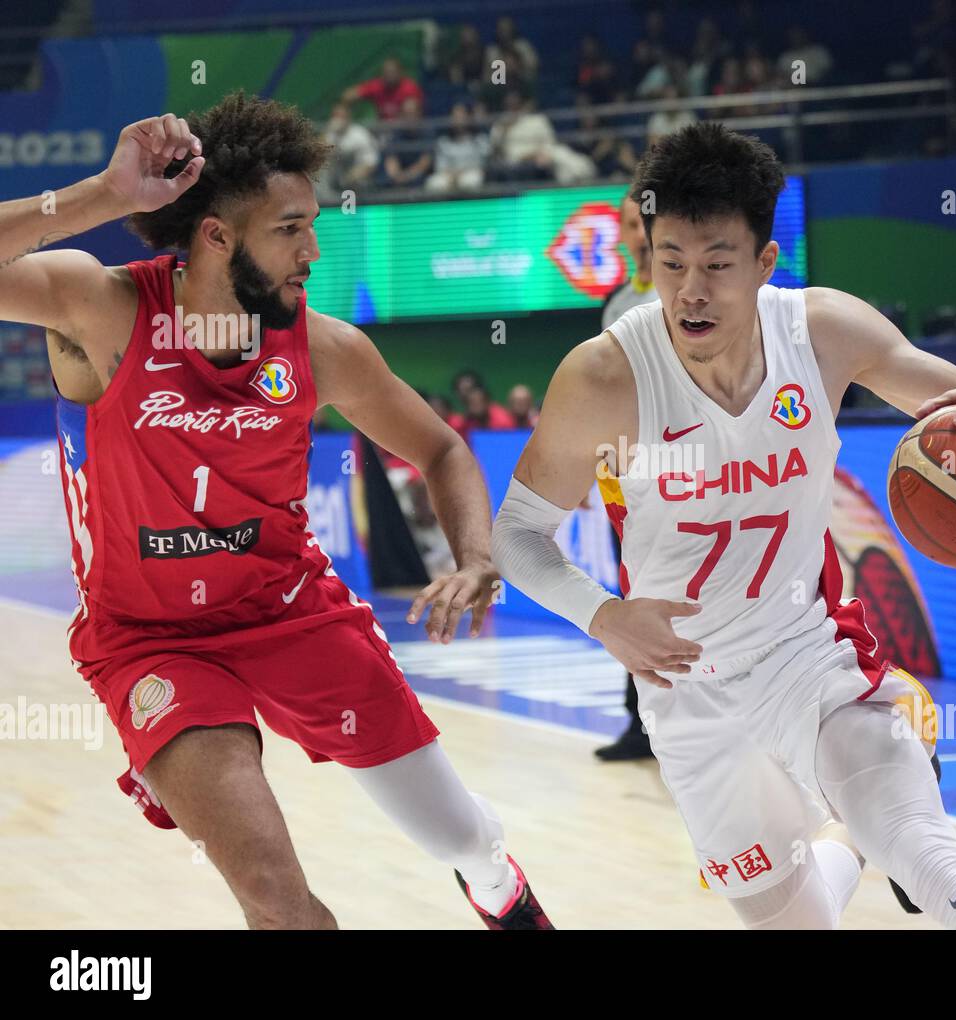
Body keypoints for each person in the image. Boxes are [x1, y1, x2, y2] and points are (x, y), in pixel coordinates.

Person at [0, 94, 551, 930]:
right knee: (274, 896)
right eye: (290, 229)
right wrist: (109, 194)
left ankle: (493, 877)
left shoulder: (323, 348)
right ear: (217, 235)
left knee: (456, 835)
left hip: (292, 616)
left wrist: (474, 556)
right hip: (153, 642)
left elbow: (439, 449)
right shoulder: (101, 309)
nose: (313, 251)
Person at [492, 123, 956, 930]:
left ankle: (880, 813)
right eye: (671, 262)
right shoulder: (605, 375)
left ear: (763, 264)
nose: (689, 291)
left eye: (717, 265)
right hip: (683, 691)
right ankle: (855, 839)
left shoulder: (822, 333)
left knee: (934, 857)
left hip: (805, 654)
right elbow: (516, 535)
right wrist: (602, 616)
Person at [592, 191, 659, 763]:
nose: (638, 234)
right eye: (630, 225)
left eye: (646, 223)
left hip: (684, 472)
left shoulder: (683, 295)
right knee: (634, 594)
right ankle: (642, 723)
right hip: (624, 475)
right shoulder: (615, 303)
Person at [342, 57, 424, 122]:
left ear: (400, 72)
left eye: (392, 72)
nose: (389, 75)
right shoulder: (377, 86)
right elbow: (348, 95)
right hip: (383, 129)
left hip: (404, 129)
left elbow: (417, 113)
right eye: (386, 72)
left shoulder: (410, 88)